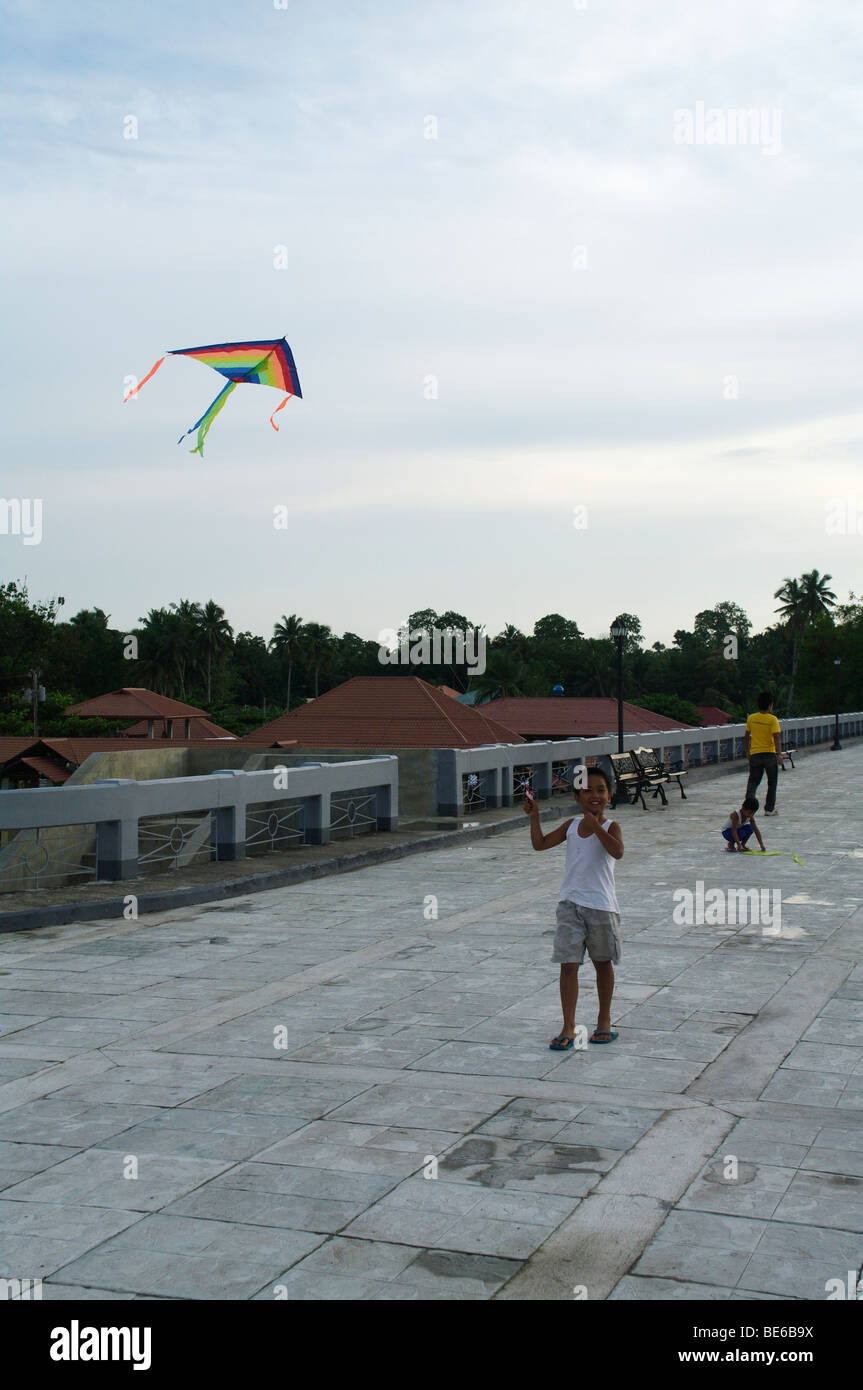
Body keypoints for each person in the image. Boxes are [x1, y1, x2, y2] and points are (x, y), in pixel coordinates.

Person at [524, 766, 623, 1049]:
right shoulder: (570, 826)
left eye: (601, 790)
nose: (595, 795)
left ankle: (604, 1019)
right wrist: (535, 818)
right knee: (568, 965)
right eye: (587, 790)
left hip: (601, 906)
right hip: (570, 905)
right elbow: (540, 844)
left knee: (602, 963)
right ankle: (569, 1024)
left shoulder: (610, 826)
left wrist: (595, 827)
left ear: (609, 795)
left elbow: (617, 851)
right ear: (577, 796)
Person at [745, 691, 784, 815]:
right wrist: (779, 754)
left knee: (753, 781)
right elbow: (776, 737)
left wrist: (748, 751)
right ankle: (769, 809)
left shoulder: (751, 718)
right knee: (772, 783)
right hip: (770, 754)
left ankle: (748, 807)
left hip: (755, 754)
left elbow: (746, 735)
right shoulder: (773, 719)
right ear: (770, 705)